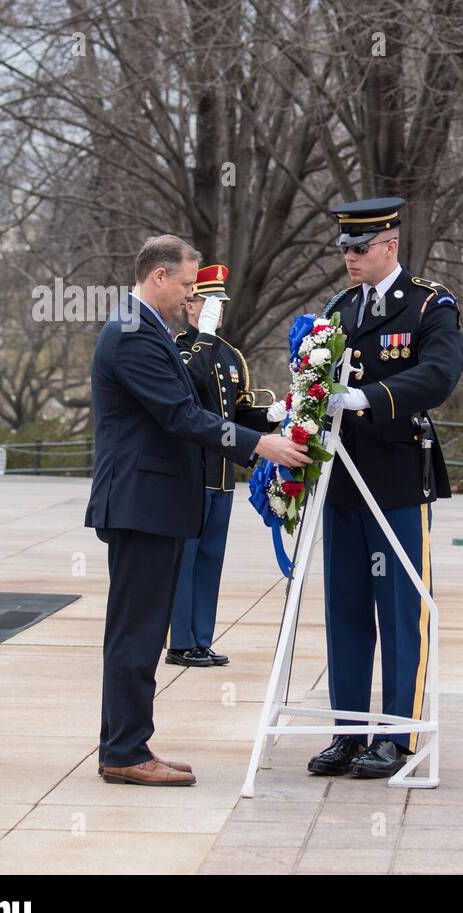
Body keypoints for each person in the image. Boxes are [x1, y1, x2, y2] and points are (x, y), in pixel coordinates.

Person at [85, 235, 311, 787]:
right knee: (137, 634)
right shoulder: (135, 334)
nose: (193, 295)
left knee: (138, 631)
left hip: (152, 503)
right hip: (142, 504)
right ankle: (125, 752)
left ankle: (127, 744)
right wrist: (262, 446)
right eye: (187, 284)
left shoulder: (149, 330)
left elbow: (201, 410)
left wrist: (278, 422)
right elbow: (181, 416)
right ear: (158, 277)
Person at [305, 197, 463, 779]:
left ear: (390, 245)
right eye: (344, 247)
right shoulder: (340, 309)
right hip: (343, 476)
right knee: (345, 608)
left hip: (396, 476)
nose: (349, 257)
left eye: (360, 247)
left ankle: (399, 734)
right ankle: (348, 729)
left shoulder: (428, 305)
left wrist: (369, 397)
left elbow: (439, 373)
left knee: (401, 609)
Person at [168, 264, 279, 668]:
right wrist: (206, 337)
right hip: (190, 473)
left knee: (211, 559)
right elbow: (186, 386)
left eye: (219, 303)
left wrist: (274, 416)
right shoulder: (180, 347)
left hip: (221, 474)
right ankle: (180, 642)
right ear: (189, 304)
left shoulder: (231, 355)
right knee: (187, 560)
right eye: (207, 302)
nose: (216, 309)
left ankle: (202, 638)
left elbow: (238, 410)